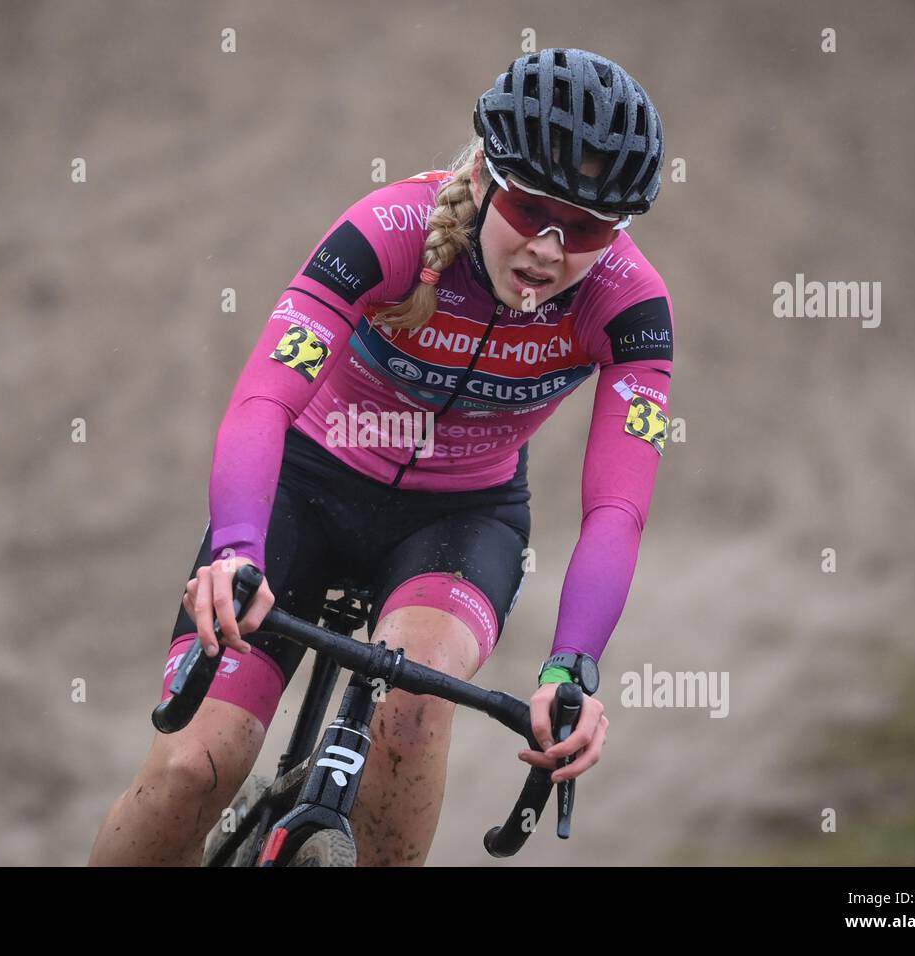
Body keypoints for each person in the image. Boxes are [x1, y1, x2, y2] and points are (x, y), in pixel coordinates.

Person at [89, 47, 673, 866]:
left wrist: (571, 667)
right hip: (305, 491)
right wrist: (235, 553)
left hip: (460, 521)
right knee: (193, 765)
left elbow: (617, 508)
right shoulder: (387, 232)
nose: (547, 249)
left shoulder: (631, 305)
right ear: (481, 178)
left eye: (585, 229)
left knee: (415, 711)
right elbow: (263, 400)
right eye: (532, 209)